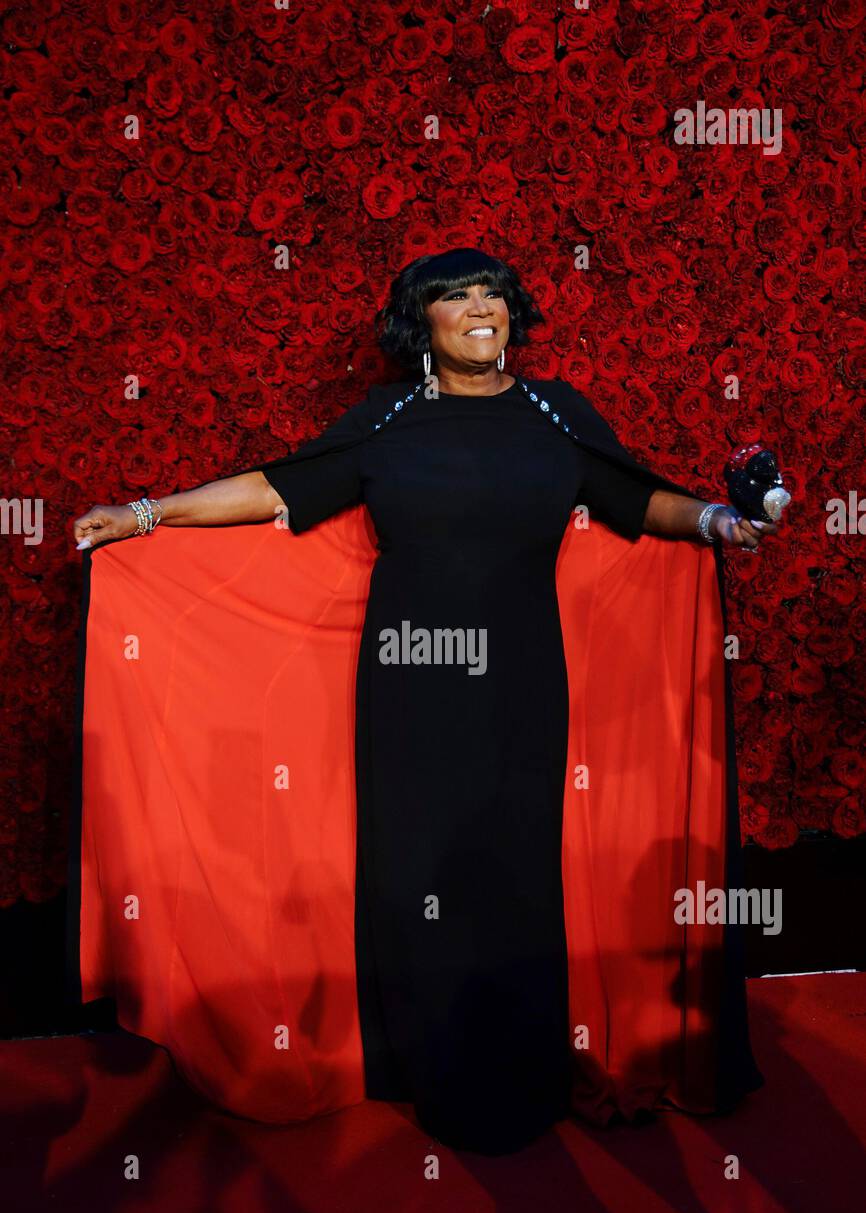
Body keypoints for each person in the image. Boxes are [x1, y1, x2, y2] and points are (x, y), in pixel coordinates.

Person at [70, 248, 778, 1155]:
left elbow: (639, 500)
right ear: (424, 326)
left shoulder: (556, 415)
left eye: (492, 295)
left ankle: (525, 1081)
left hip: (524, 686)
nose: (481, 310)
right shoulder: (390, 420)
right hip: (409, 690)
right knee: (421, 880)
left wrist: (719, 521)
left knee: (515, 874)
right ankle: (429, 1074)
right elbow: (277, 487)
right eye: (456, 298)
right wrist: (145, 513)